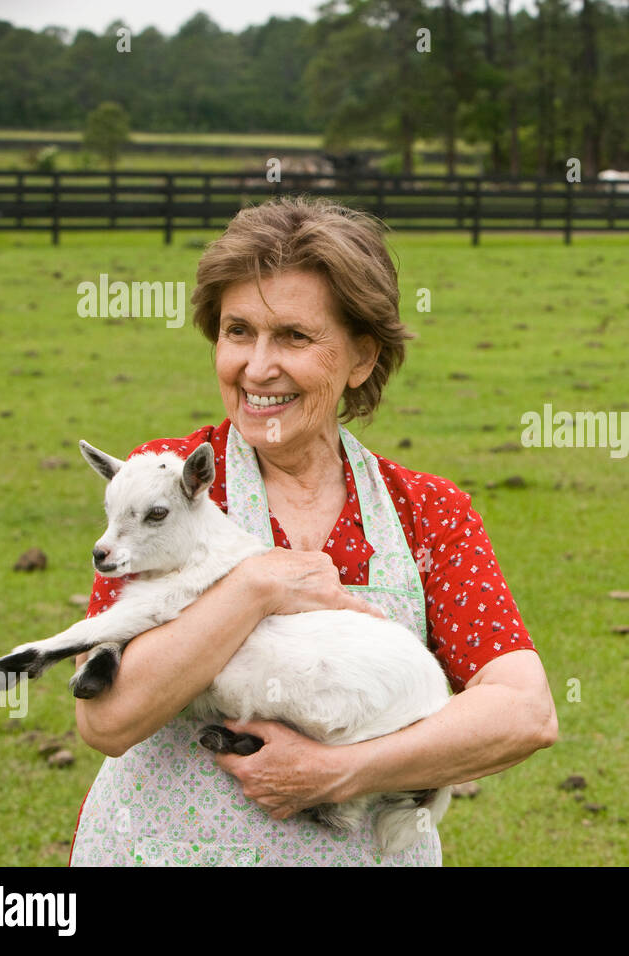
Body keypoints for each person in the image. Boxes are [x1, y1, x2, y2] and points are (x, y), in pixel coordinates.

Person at [68, 196, 557, 866]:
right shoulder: (166, 488)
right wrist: (255, 589)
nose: (257, 367)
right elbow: (106, 718)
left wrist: (343, 772)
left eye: (294, 337)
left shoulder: (428, 512)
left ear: (360, 358)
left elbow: (523, 712)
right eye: (238, 331)